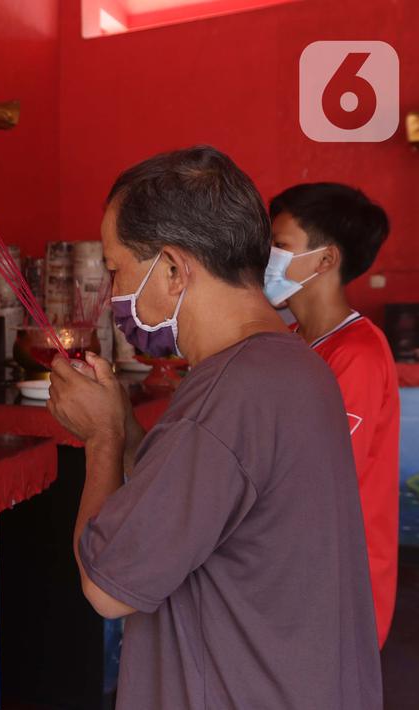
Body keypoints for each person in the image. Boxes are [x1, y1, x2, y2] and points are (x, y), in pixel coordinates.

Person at [47, 146, 381, 708]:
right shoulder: (292, 363)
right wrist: (126, 428)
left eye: (116, 271)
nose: (114, 297)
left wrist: (101, 441)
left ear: (174, 270)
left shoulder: (228, 395)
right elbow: (198, 510)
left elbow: (108, 589)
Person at [267, 183, 399, 647]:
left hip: (337, 591)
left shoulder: (357, 354)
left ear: (325, 261)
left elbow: (314, 481)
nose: (267, 259)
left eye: (280, 247)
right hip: (292, 580)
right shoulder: (295, 341)